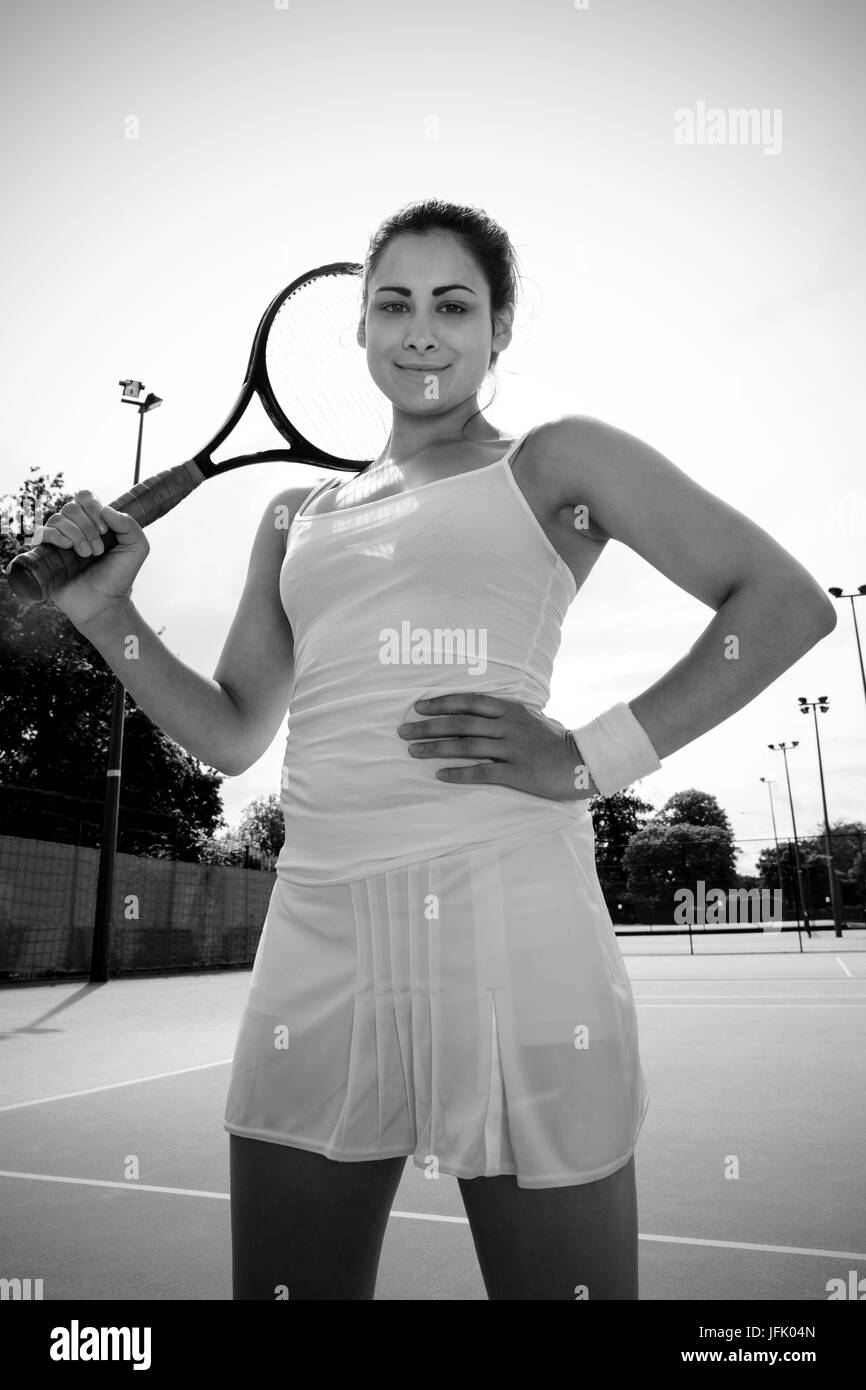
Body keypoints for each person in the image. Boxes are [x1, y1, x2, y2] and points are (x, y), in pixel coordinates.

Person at [39, 199, 837, 1300]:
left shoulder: (556, 461)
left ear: (497, 329)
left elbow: (785, 604)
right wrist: (104, 615)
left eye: (452, 306)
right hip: (317, 930)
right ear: (360, 330)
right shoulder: (293, 513)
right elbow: (232, 734)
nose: (421, 331)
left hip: (512, 922)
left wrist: (588, 756)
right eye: (393, 305)